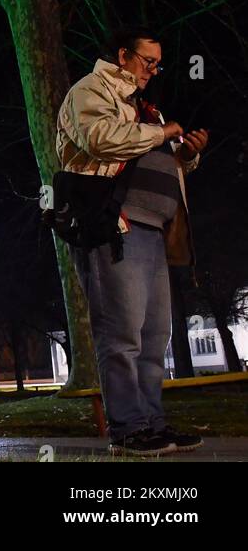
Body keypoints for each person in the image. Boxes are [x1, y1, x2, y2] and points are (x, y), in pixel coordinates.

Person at [56, 28, 208, 456]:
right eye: (147, 61)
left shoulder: (143, 107)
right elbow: (99, 139)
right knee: (121, 334)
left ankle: (153, 422)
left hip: (152, 230)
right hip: (113, 227)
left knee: (154, 333)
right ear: (123, 56)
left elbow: (151, 155)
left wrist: (185, 155)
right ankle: (128, 428)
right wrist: (161, 134)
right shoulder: (90, 90)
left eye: (159, 64)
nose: (153, 70)